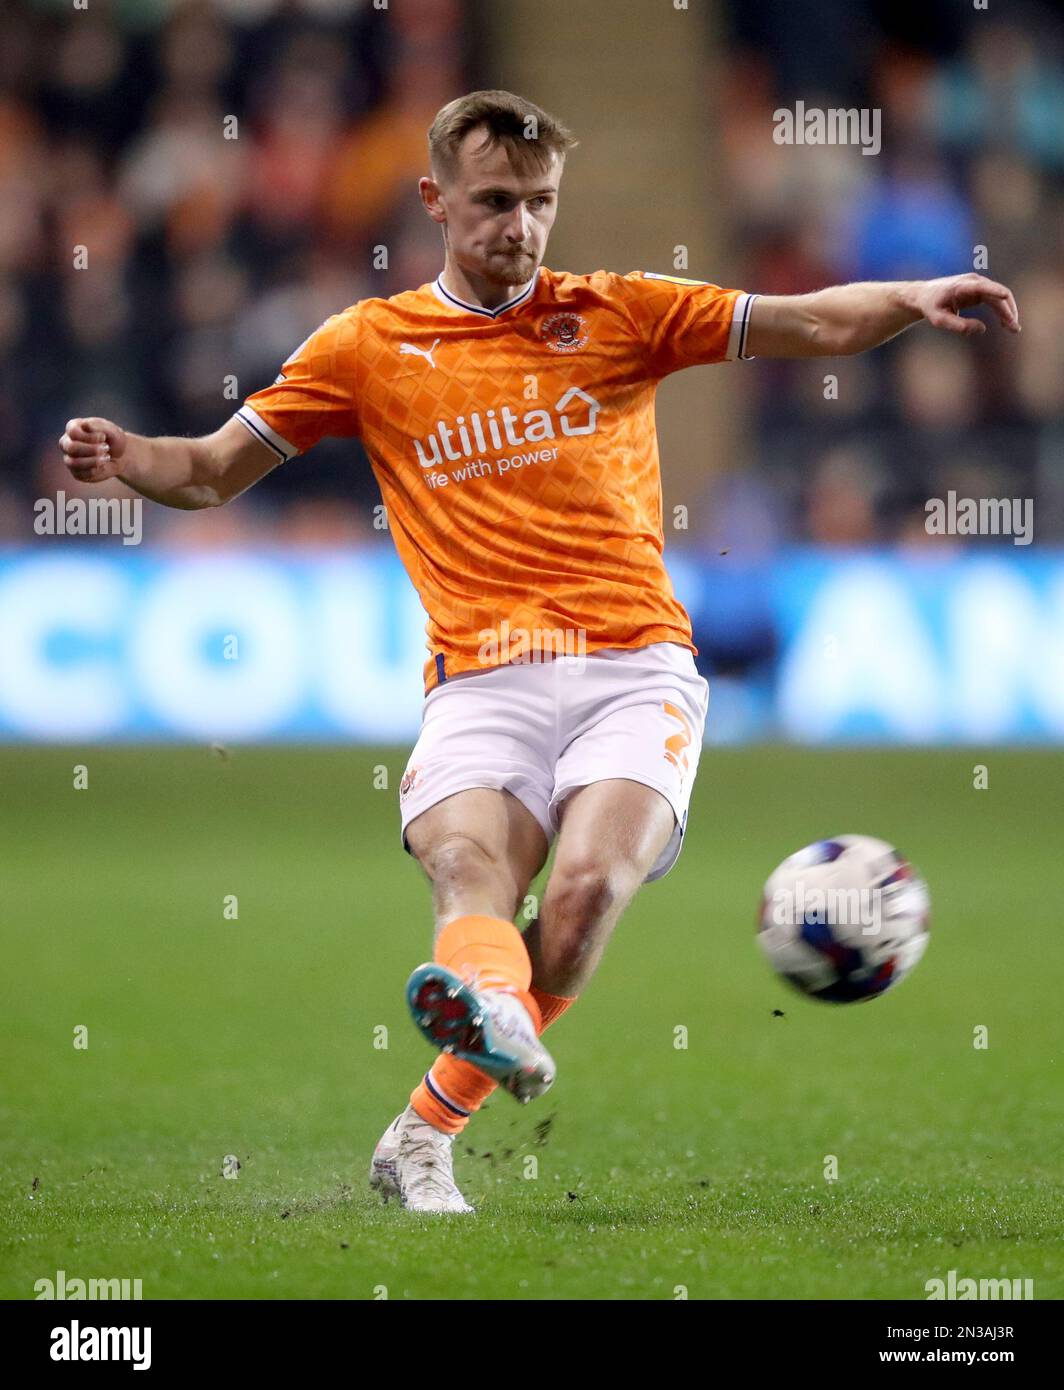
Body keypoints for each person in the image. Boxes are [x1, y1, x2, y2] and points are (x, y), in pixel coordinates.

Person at [59, 89, 1020, 1214]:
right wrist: (130, 454)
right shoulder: (367, 347)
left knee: (581, 899)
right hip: (481, 679)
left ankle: (425, 1126)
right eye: (494, 201)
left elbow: (806, 321)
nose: (518, 225)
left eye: (538, 202)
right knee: (469, 870)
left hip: (633, 665)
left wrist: (904, 295)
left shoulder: (618, 311)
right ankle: (476, 1035)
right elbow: (215, 470)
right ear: (434, 200)